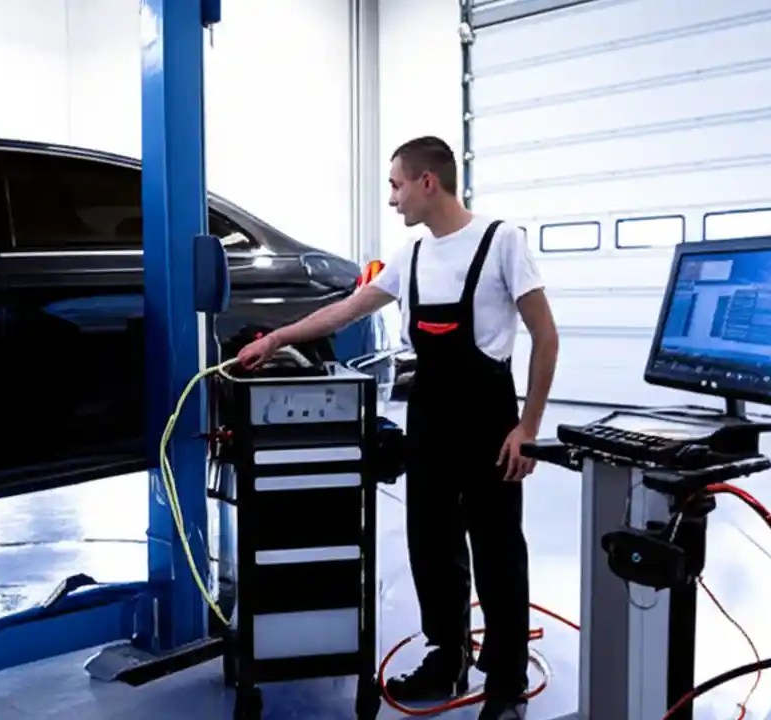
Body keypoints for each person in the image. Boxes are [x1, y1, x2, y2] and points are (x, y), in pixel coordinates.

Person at [235, 136, 559, 720]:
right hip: (429, 415)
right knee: (430, 544)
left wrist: (528, 427)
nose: (392, 199)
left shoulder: (502, 242)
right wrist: (277, 338)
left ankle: (506, 681)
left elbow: (546, 335)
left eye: (395, 184)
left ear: (427, 182)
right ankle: (448, 655)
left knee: (496, 549)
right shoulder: (411, 254)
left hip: (490, 421)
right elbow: (349, 308)